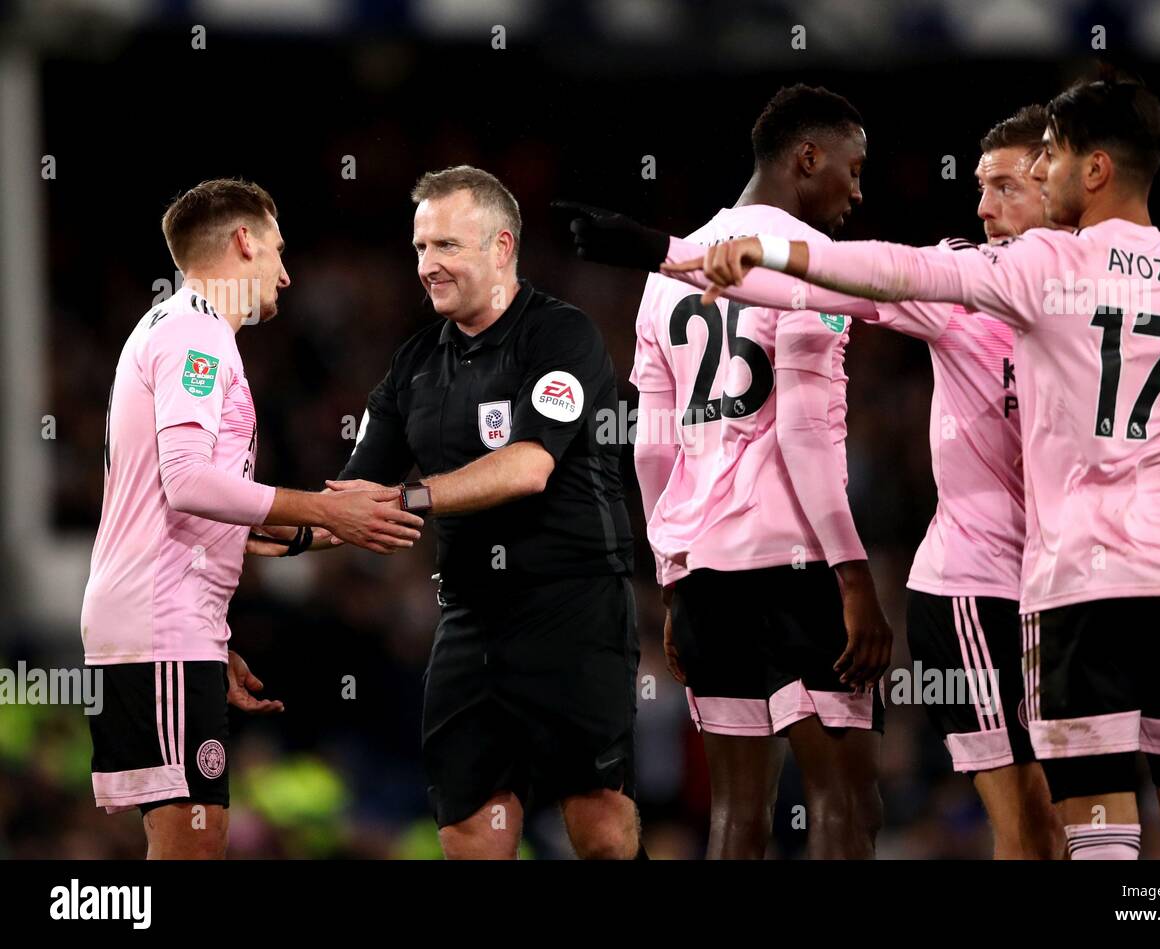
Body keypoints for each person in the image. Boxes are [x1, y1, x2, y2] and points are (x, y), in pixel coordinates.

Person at [668, 72, 1160, 860]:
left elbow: (894, 269)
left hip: (1075, 586)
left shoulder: (1044, 268)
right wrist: (1148, 445)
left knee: (1091, 834)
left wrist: (754, 247)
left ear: (1091, 170)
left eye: (1043, 164)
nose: (993, 200)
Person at [82, 178, 424, 859]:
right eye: (277, 248)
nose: (287, 272)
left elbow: (171, 495)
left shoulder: (166, 326)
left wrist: (306, 535)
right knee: (194, 842)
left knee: (187, 838)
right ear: (243, 241)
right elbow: (186, 482)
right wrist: (328, 506)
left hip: (164, 621)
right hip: (161, 622)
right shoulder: (198, 332)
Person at [327, 166, 641, 860]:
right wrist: (259, 524)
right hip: (470, 614)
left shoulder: (563, 337)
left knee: (599, 822)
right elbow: (352, 497)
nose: (427, 266)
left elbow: (530, 465)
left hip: (573, 601)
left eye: (445, 246)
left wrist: (413, 497)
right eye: (419, 249)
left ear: (502, 247)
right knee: (469, 826)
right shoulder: (412, 366)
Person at [623, 84, 891, 859]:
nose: (858, 189)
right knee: (846, 799)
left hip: (705, 570)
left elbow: (650, 448)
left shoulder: (667, 268)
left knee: (736, 816)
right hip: (796, 562)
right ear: (807, 158)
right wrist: (852, 577)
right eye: (853, 166)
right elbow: (806, 432)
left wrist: (674, 578)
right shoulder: (820, 266)